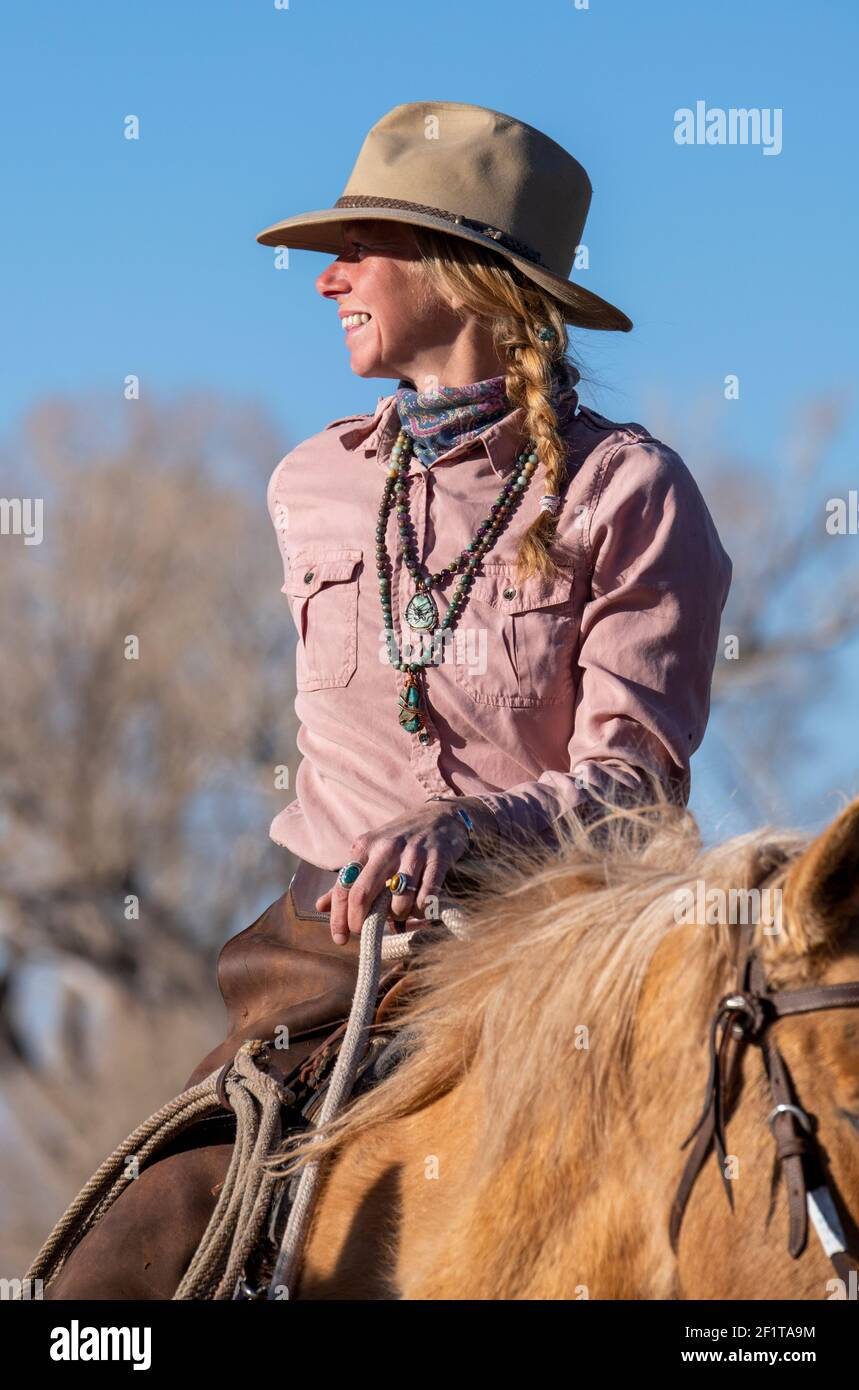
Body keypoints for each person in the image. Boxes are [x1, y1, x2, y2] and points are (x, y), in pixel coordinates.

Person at [42, 100, 733, 1299]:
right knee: (105, 1281)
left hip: (544, 970)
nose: (325, 281)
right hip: (317, 966)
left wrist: (467, 830)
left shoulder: (630, 493)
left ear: (465, 273)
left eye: (358, 246)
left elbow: (633, 797)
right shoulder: (307, 483)